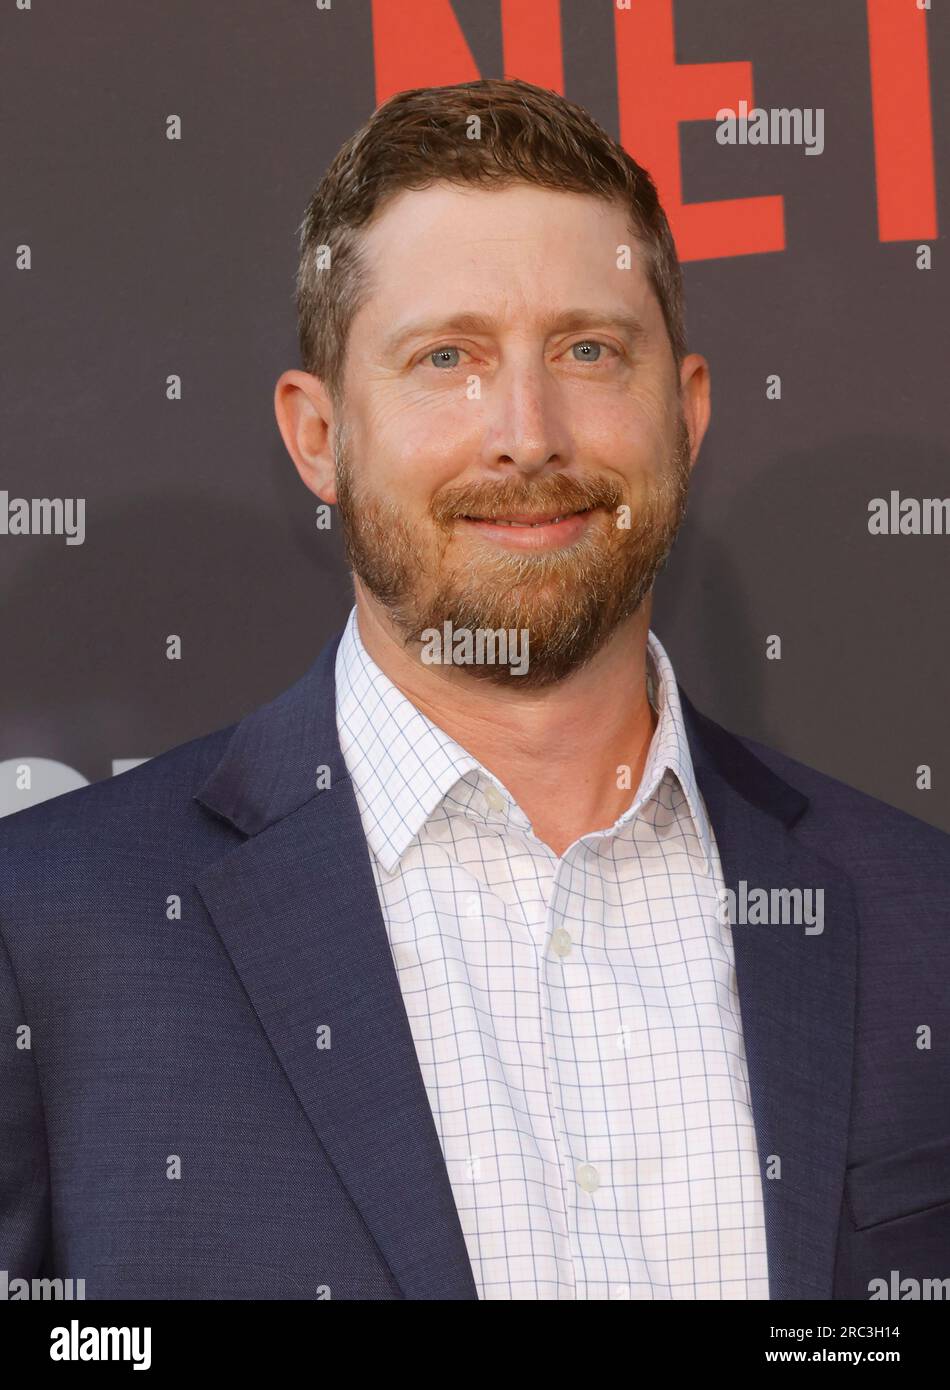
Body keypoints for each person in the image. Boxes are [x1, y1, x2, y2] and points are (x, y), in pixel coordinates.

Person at [2, 77, 948, 1302]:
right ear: (317, 435)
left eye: (588, 350)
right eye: (446, 357)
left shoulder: (917, 916)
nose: (526, 432)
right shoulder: (50, 932)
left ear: (688, 409)